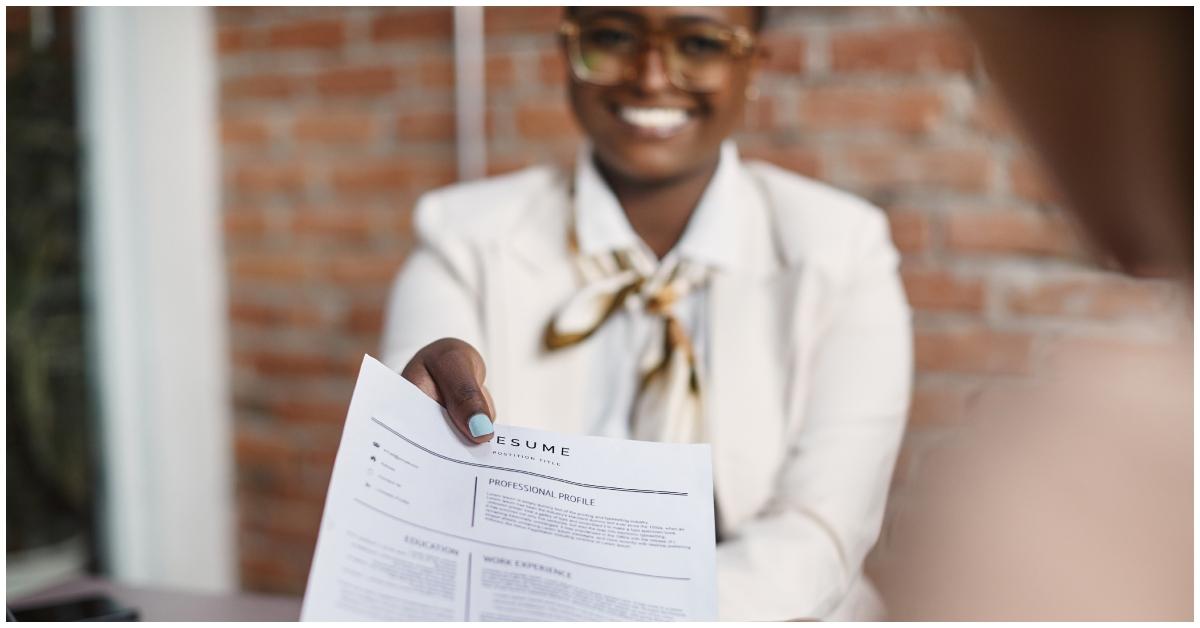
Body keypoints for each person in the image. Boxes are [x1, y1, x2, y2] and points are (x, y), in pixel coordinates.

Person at [381, 7, 913, 620]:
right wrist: (412, 423)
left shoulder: (843, 249)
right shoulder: (463, 237)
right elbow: (422, 436)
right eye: (611, 36)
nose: (652, 76)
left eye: (699, 43)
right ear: (567, 53)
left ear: (751, 66)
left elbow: (818, 531)